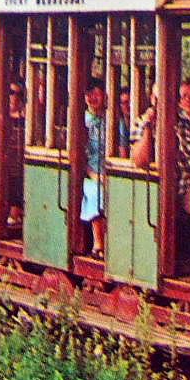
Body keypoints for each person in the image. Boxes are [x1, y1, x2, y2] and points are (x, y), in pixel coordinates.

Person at [132, 75, 190, 273]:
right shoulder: (142, 122)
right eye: (157, 99)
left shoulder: (186, 123)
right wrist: (148, 128)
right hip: (161, 192)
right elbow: (140, 160)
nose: (160, 103)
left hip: (189, 186)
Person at [80, 78, 107, 256]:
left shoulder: (110, 121)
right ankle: (99, 244)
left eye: (96, 94)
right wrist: (93, 175)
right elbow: (79, 155)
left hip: (108, 171)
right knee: (96, 191)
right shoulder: (81, 121)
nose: (93, 98)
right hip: (89, 173)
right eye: (89, 94)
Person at [5, 80, 25, 230]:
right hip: (5, 157)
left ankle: (15, 215)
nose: (15, 97)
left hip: (20, 158)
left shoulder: (25, 114)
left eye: (19, 94)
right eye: (11, 93)